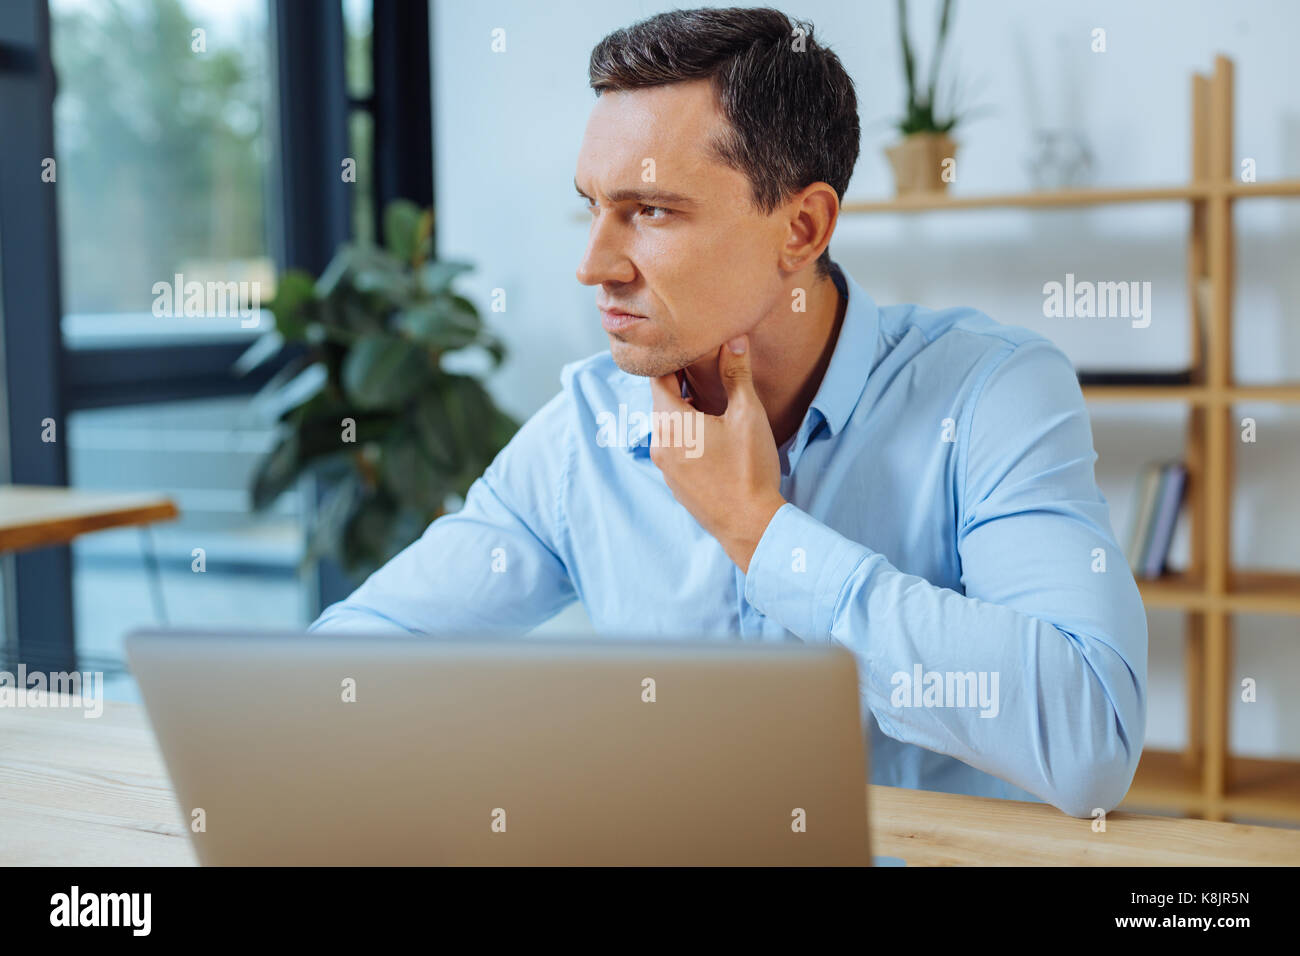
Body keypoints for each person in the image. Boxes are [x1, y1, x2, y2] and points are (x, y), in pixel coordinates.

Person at [312, 7, 1146, 818]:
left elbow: (1091, 740)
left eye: (650, 211)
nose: (594, 264)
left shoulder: (991, 394)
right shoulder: (583, 435)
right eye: (593, 206)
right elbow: (358, 662)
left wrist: (757, 528)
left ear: (803, 227)